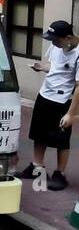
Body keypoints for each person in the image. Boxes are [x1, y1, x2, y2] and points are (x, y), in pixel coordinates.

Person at [20, 20, 79, 191]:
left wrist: (70, 114)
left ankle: (60, 174)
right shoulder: (57, 46)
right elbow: (53, 66)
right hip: (45, 95)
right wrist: (41, 67)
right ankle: (37, 166)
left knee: (62, 140)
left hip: (63, 101)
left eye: (55, 40)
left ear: (68, 37)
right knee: (39, 134)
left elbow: (78, 88)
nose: (53, 43)